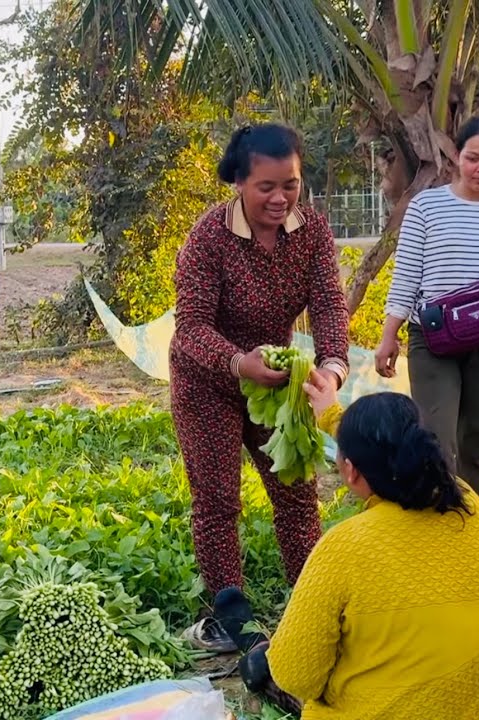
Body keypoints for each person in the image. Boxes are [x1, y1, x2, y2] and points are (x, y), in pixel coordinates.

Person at [239, 374, 479, 719]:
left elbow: (295, 676)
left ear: (350, 471)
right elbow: (392, 448)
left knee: (261, 666)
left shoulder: (345, 548)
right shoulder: (469, 505)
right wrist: (331, 413)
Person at [169, 123, 351, 653]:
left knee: (295, 494)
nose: (279, 197)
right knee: (218, 498)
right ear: (239, 183)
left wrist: (332, 369)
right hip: (210, 382)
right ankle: (232, 619)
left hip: (275, 384)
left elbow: (330, 307)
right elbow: (192, 327)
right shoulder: (208, 239)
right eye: (265, 186)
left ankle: (312, 607)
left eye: (289, 184)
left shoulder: (312, 231)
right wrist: (236, 363)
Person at [374, 114, 479, 493]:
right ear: (456, 158)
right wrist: (388, 337)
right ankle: (436, 522)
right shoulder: (426, 208)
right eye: (473, 157)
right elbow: (407, 276)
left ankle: (469, 522)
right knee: (436, 440)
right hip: (433, 340)